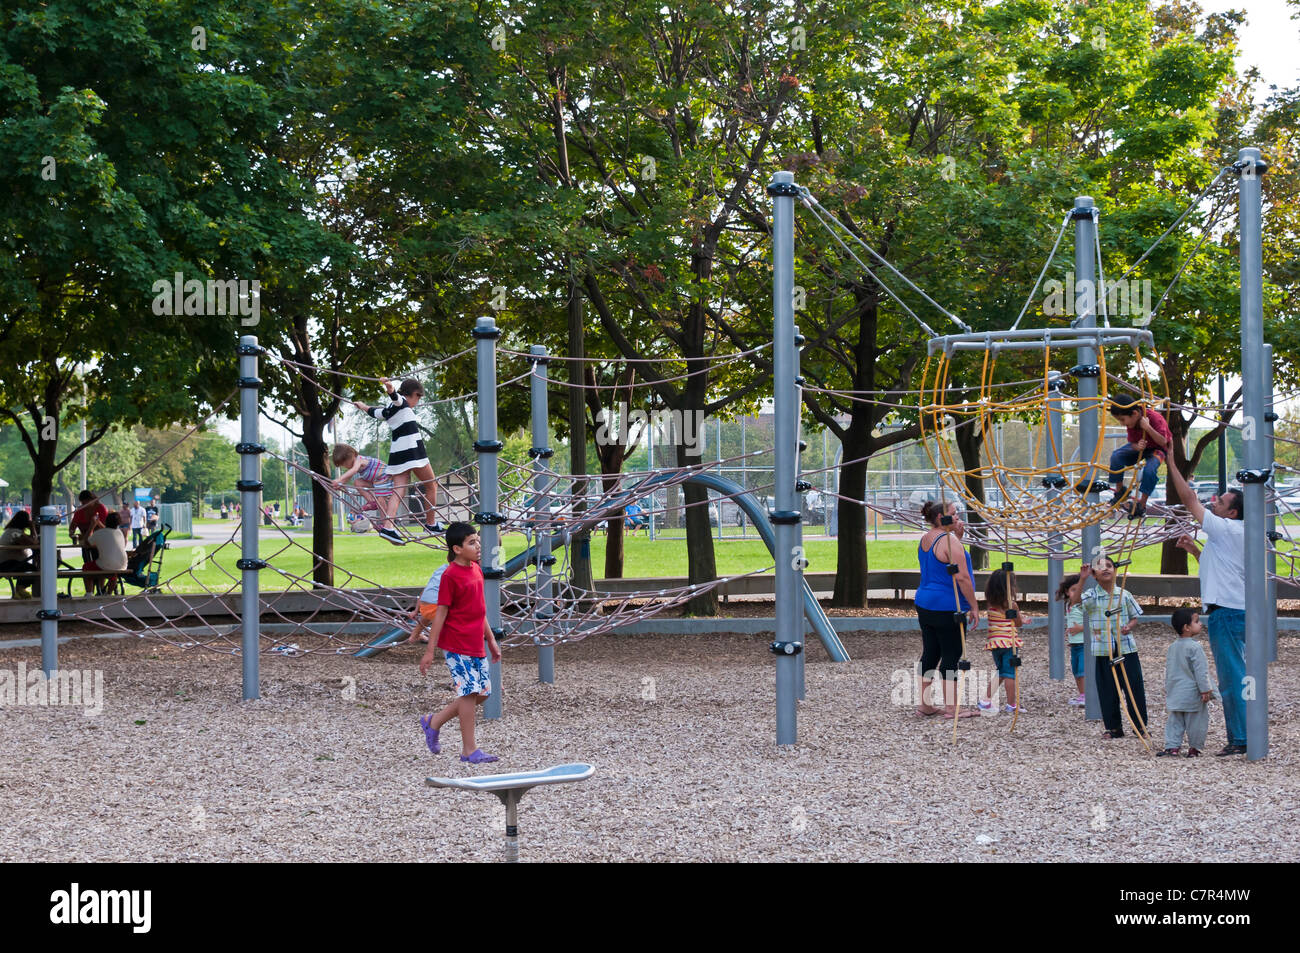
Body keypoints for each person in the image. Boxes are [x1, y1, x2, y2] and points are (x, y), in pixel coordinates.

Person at [1166, 461, 1247, 756]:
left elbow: (1189, 499)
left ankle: (1241, 738)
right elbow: (1223, 572)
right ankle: (1245, 734)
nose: (1215, 502)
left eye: (1221, 502)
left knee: (1231, 677)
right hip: (1236, 608)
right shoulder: (1238, 532)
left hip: (1227, 612)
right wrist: (1194, 551)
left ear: (1232, 512)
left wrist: (1171, 462)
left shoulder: (1225, 528)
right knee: (1239, 672)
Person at [416, 522, 501, 764]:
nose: (478, 546)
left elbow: (479, 609)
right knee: (469, 692)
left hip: (475, 643)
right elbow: (441, 613)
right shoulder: (450, 575)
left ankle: (433, 722)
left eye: (477, 541)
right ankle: (469, 751)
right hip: (456, 645)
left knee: (483, 693)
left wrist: (491, 640)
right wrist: (430, 651)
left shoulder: (476, 569)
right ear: (457, 548)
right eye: (472, 542)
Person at [912, 500, 980, 719]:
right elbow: (962, 577)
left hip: (925, 602)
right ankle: (952, 709)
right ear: (942, 518)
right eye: (954, 513)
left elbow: (943, 562)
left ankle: (925, 705)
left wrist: (957, 539)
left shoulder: (927, 538)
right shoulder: (949, 540)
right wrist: (974, 606)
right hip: (948, 606)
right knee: (951, 655)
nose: (958, 517)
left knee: (930, 652)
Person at [354, 378, 442, 536]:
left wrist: (362, 406)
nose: (418, 401)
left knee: (398, 491)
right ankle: (430, 523)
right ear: (414, 394)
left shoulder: (389, 410)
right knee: (431, 485)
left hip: (397, 454)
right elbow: (396, 397)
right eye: (418, 397)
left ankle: (388, 526)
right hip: (413, 451)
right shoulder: (402, 403)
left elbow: (375, 412)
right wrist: (389, 387)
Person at [1079, 556, 1148, 740]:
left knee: (1133, 687)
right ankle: (1113, 727)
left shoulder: (1124, 595)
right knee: (1107, 689)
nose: (1106, 569)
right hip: (1104, 650)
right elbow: (1076, 602)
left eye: (1109, 566)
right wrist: (1082, 579)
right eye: (1101, 567)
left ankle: (1140, 726)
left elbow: (1134, 616)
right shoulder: (1092, 596)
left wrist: (1129, 627)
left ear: (1115, 570)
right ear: (1094, 574)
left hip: (1126, 648)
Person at [1160, 607, 1219, 758]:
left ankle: (1172, 746)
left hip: (1177, 692)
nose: (1200, 624)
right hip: (1193, 693)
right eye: (1196, 621)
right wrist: (1205, 689)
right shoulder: (1195, 647)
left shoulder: (1173, 647)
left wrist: (1169, 688)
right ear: (1186, 627)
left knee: (1175, 720)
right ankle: (1194, 748)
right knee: (1196, 722)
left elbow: (1170, 670)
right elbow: (1201, 671)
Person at [1106, 395, 1172, 520]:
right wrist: (1137, 446)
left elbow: (1163, 441)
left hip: (1157, 449)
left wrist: (1147, 428)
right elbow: (1133, 444)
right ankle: (1120, 491)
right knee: (1116, 456)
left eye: (1123, 420)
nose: (1122, 423)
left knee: (1149, 470)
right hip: (1142, 449)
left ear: (1135, 413)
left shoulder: (1155, 418)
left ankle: (1142, 504)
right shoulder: (1131, 422)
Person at [978, 568, 1029, 714]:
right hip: (1008, 643)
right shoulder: (1012, 605)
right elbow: (1017, 623)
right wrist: (1022, 620)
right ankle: (1012, 704)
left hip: (995, 643)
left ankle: (985, 701)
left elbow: (1003, 620)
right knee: (1010, 673)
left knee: (1001, 672)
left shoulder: (990, 604)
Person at [331, 443, 403, 545]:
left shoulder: (359, 460)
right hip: (376, 481)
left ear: (351, 456)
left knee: (381, 501)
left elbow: (353, 470)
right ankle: (372, 502)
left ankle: (385, 524)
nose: (344, 466)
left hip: (384, 477)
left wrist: (339, 479)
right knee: (358, 483)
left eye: (344, 463)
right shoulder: (355, 463)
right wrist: (340, 483)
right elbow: (349, 477)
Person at [1055, 572, 1088, 706]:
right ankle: (1082, 695)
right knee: (1076, 671)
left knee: (1082, 671)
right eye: (1073, 590)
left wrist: (1080, 628)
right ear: (1067, 592)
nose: (1077, 593)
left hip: (1084, 643)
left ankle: (1087, 695)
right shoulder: (1069, 605)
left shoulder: (1082, 605)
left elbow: (1094, 623)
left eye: (1079, 590)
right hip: (1075, 645)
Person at [84, 512, 129, 595]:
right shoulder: (119, 533)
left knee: (86, 567)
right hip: (123, 565)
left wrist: (92, 526)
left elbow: (86, 543)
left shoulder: (99, 533)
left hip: (106, 565)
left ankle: (89, 593)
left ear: (106, 521)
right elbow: (108, 531)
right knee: (113, 571)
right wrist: (99, 523)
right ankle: (109, 593)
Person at [0, 510, 38, 598]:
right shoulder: (15, 533)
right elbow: (34, 543)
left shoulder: (13, 531)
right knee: (32, 569)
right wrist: (32, 528)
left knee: (26, 567)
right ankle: (19, 590)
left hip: (7, 563)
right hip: (6, 564)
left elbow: (30, 541)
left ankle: (19, 591)